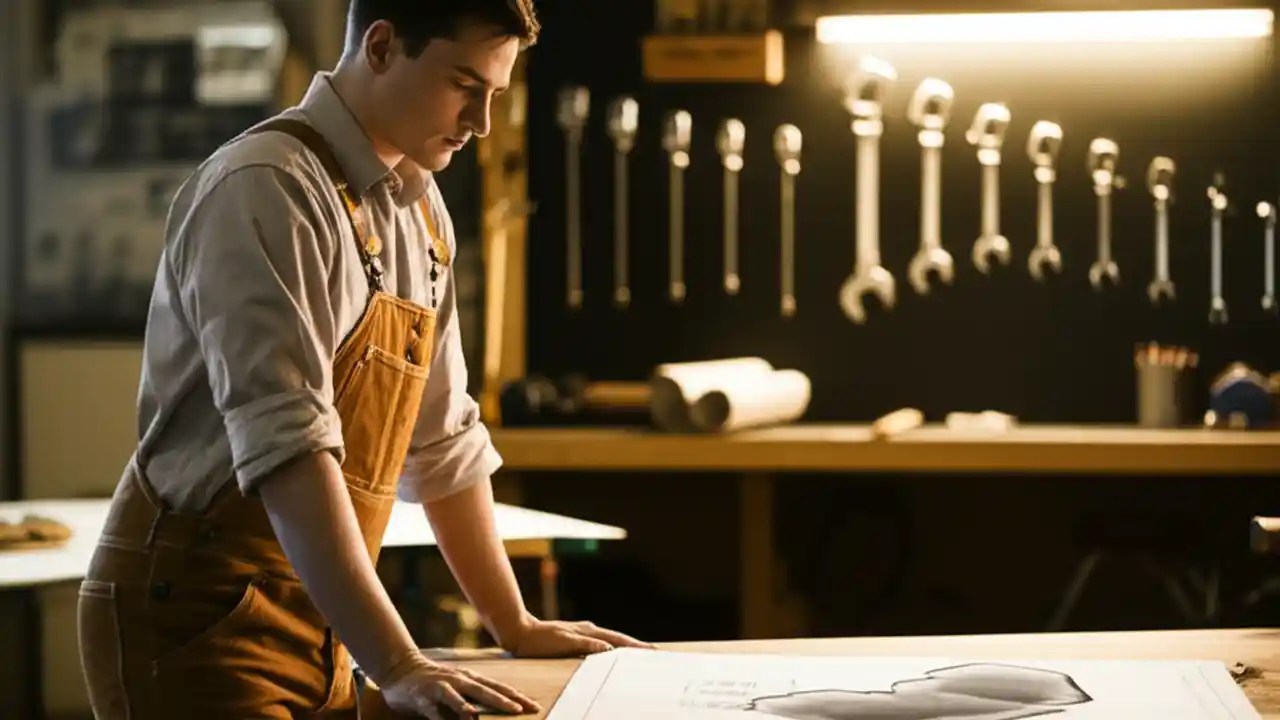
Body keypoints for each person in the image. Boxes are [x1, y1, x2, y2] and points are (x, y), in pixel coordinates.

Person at [76, 2, 649, 718]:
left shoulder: (422, 212)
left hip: (325, 618)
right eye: (463, 85)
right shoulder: (265, 189)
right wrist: (399, 661)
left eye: (495, 95)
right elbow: (290, 453)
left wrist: (515, 624)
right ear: (381, 46)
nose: (481, 123)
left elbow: (444, 444)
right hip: (195, 616)